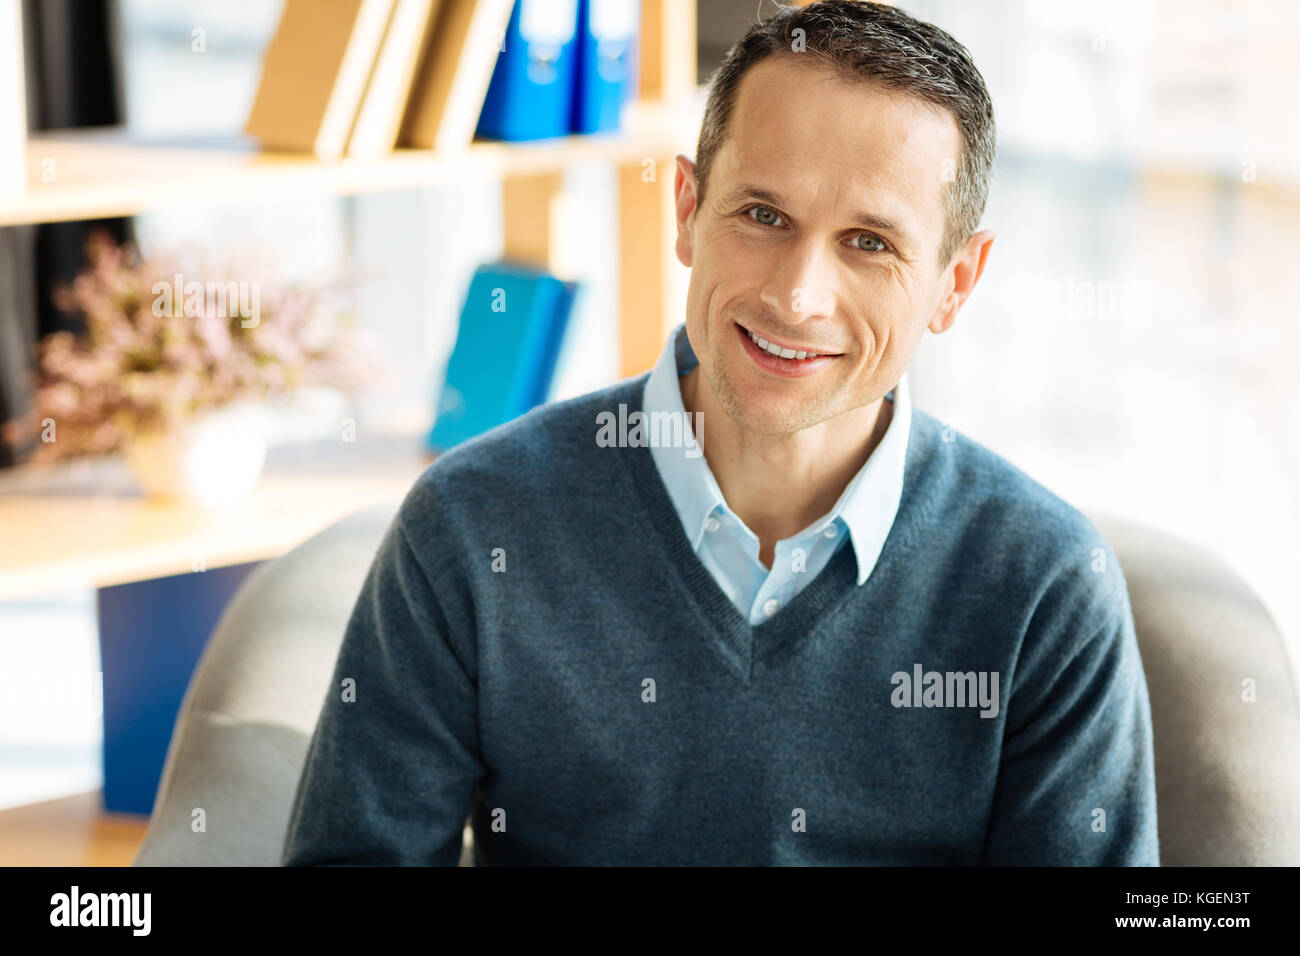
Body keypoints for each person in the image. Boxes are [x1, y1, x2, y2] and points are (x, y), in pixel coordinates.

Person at [282, 0, 1158, 866]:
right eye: (763, 216)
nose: (796, 296)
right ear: (687, 210)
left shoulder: (1045, 586)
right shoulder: (472, 527)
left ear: (955, 283)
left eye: (869, 243)